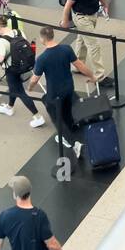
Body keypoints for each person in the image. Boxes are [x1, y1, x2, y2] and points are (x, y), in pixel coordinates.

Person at [28, 29, 94, 163]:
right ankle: (72, 127)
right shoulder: (66, 49)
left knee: (57, 118)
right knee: (67, 111)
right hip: (69, 88)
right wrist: (92, 75)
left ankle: (72, 142)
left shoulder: (42, 58)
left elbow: (35, 78)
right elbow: (79, 65)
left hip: (55, 94)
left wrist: (30, 87)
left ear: (42, 39)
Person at [61, 0, 111, 85]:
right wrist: (65, 21)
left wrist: (105, 4)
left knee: (82, 40)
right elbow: (68, 5)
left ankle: (78, 65)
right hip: (81, 17)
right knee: (94, 45)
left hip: (93, 14)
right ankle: (100, 76)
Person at [0, 16, 45, 127]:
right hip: (24, 65)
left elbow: (0, 58)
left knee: (20, 92)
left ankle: (37, 116)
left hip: (12, 69)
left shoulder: (2, 41)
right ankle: (10, 107)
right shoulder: (18, 32)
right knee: (13, 88)